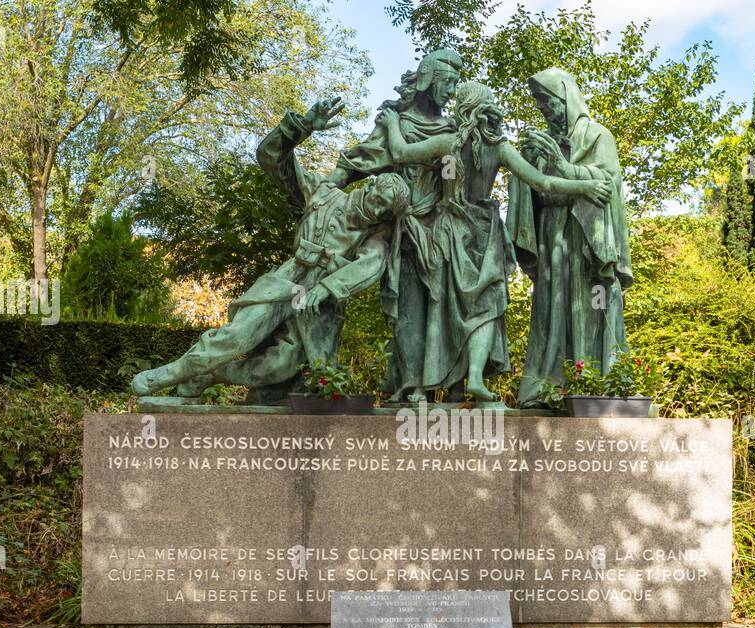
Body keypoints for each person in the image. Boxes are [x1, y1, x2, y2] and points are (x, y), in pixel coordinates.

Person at [130, 100, 410, 399]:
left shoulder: (375, 233)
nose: (377, 210)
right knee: (237, 336)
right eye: (378, 200)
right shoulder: (323, 194)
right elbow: (272, 158)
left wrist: (328, 287)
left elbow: (370, 264)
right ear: (368, 188)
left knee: (279, 367)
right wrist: (299, 128)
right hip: (287, 281)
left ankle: (211, 374)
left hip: (318, 304)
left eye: (384, 211)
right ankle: (169, 374)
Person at [378, 81, 611, 402]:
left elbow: (401, 152)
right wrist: (582, 188)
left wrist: (392, 125)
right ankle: (473, 376)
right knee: (486, 306)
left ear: (463, 110)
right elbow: (542, 181)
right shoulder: (500, 148)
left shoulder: (447, 143)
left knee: (446, 309)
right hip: (484, 233)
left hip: (449, 232)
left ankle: (443, 384)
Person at [324, 49, 462, 402]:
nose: (451, 92)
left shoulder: (450, 130)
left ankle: (447, 384)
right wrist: (325, 193)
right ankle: (410, 385)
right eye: (447, 83)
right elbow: (360, 160)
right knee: (409, 308)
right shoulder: (395, 121)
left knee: (443, 308)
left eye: (456, 85)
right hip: (404, 230)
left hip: (441, 230)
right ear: (429, 77)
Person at [507, 68, 634, 408]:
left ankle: (598, 384)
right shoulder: (543, 142)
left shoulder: (598, 137)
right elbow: (533, 186)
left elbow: (608, 185)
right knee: (552, 311)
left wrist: (565, 168)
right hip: (553, 236)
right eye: (540, 103)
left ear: (567, 97)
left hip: (587, 239)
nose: (545, 109)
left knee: (594, 306)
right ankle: (548, 388)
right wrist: (526, 161)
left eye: (548, 101)